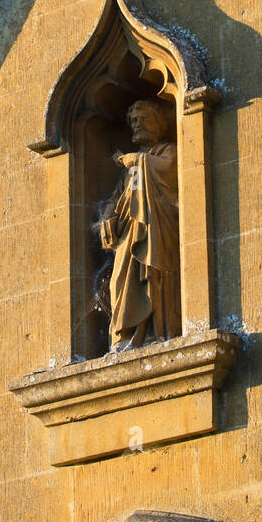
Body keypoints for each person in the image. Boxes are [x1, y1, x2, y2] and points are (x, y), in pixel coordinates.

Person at [98, 99, 181, 350]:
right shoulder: (128, 169)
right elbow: (117, 197)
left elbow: (170, 169)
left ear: (159, 123)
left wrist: (135, 160)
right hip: (128, 235)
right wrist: (108, 221)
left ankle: (156, 331)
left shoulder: (167, 151)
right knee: (120, 281)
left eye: (145, 118)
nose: (138, 124)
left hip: (156, 228)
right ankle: (126, 336)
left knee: (153, 276)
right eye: (134, 120)